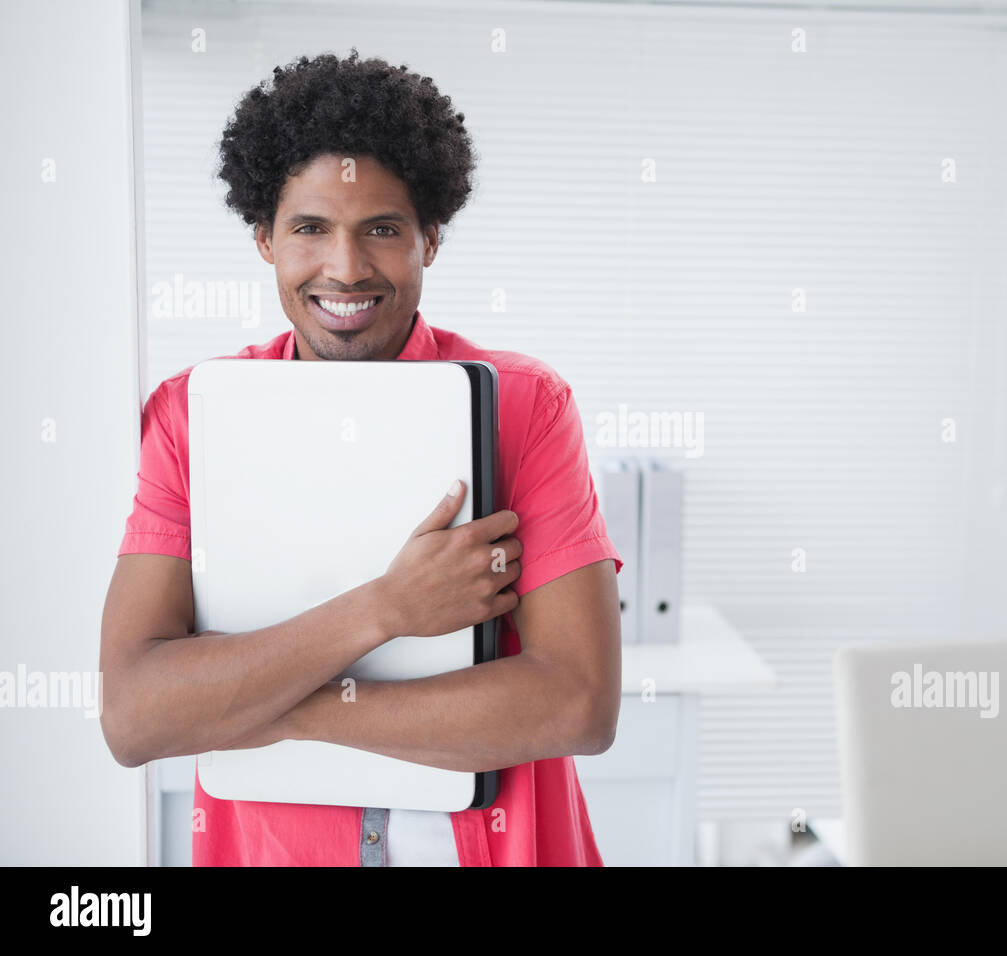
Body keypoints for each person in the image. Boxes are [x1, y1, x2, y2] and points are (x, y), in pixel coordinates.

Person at [99, 50, 622, 867]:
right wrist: (386, 608)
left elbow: (579, 705)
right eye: (310, 228)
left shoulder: (526, 407)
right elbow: (135, 717)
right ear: (265, 238)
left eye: (382, 229)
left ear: (431, 239)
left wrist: (266, 704)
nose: (345, 268)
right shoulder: (190, 418)